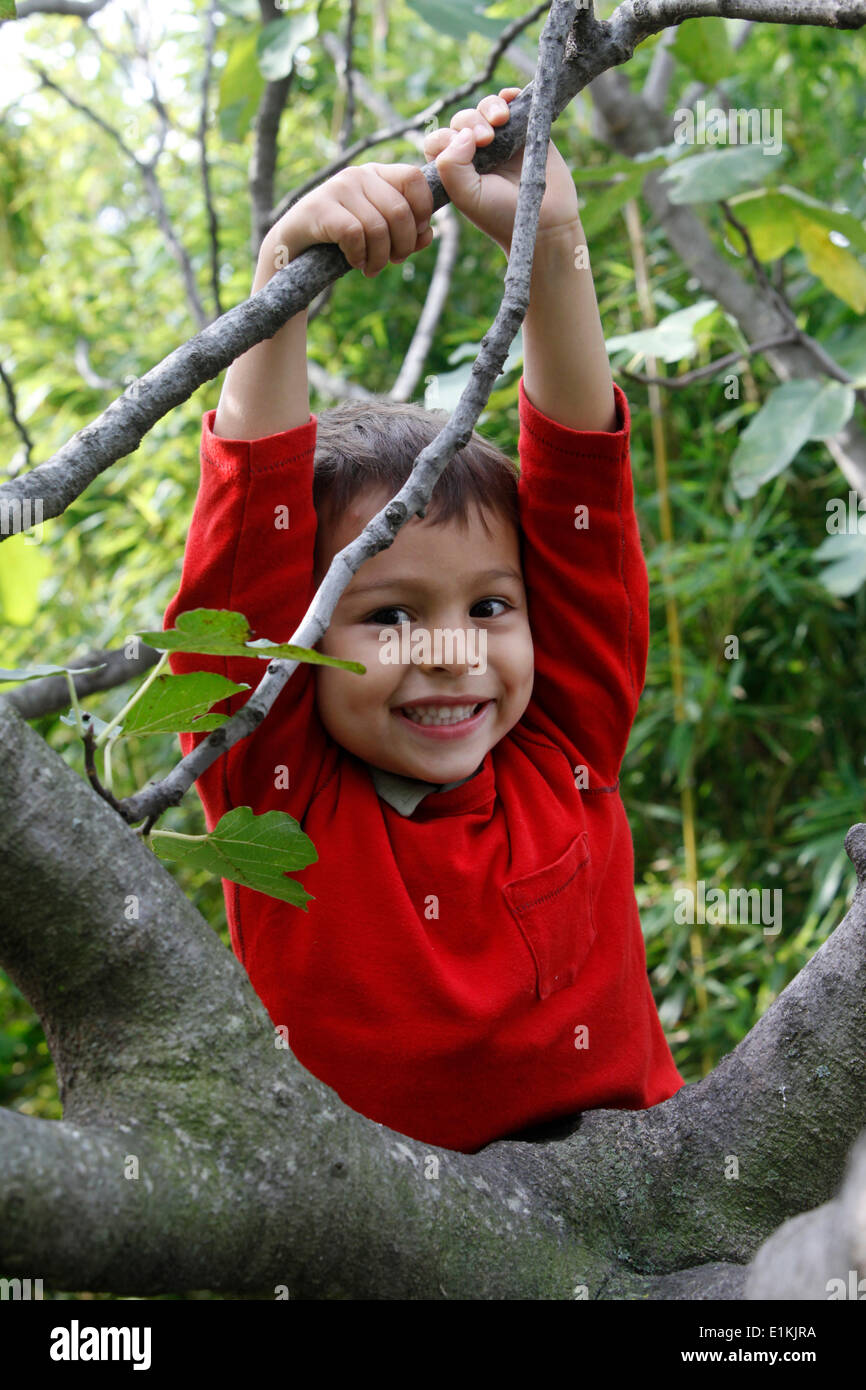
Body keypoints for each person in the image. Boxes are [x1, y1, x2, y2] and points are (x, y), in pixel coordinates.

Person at [164, 89, 685, 1153]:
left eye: (489, 606)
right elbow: (234, 601)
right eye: (389, 615)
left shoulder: (563, 744)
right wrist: (282, 281)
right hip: (388, 1246)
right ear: (299, 648)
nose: (453, 650)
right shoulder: (277, 792)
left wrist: (548, 234)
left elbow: (582, 482)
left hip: (644, 1228)